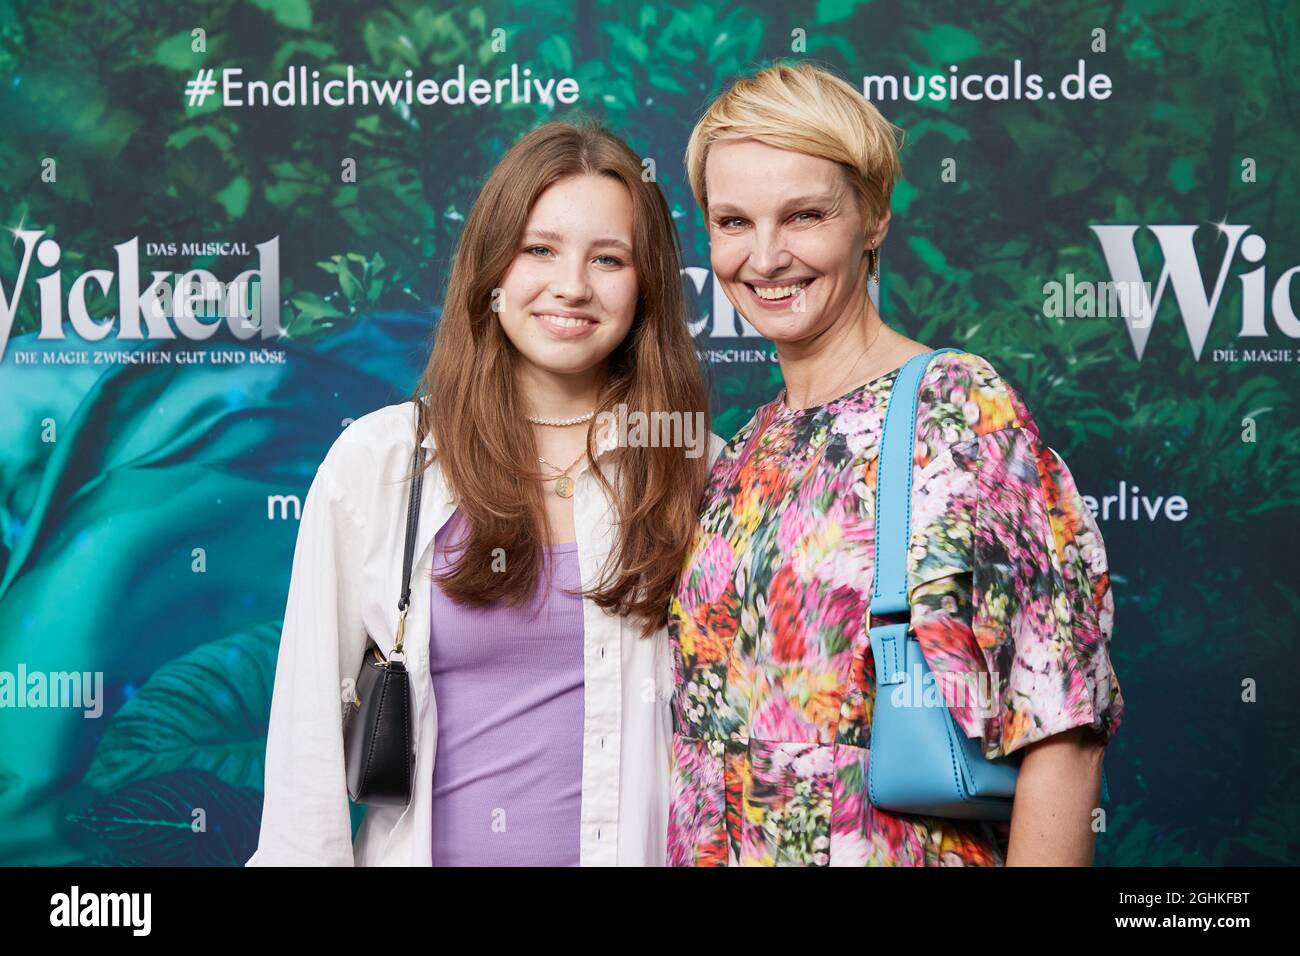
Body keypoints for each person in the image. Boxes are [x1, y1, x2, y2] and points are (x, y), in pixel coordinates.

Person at [666, 61, 1124, 866]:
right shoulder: (743, 451)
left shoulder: (952, 409)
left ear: (873, 217)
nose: (766, 256)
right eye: (734, 222)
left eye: (804, 215)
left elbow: (1063, 727)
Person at [248, 118, 721, 866]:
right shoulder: (381, 461)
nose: (571, 285)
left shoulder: (696, 469)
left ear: (648, 286)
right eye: (539, 249)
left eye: (608, 258)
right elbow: (309, 740)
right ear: (492, 268)